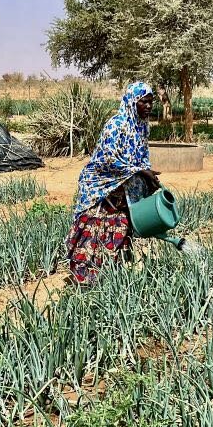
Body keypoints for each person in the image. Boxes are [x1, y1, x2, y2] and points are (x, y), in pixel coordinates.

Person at [66, 81, 160, 284]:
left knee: (120, 229)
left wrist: (148, 177)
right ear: (132, 102)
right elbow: (107, 160)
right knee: (92, 229)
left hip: (123, 190)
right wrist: (141, 171)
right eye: (144, 101)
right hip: (101, 187)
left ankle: (109, 277)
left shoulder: (142, 127)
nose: (149, 106)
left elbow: (141, 157)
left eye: (151, 102)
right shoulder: (116, 125)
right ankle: (82, 279)